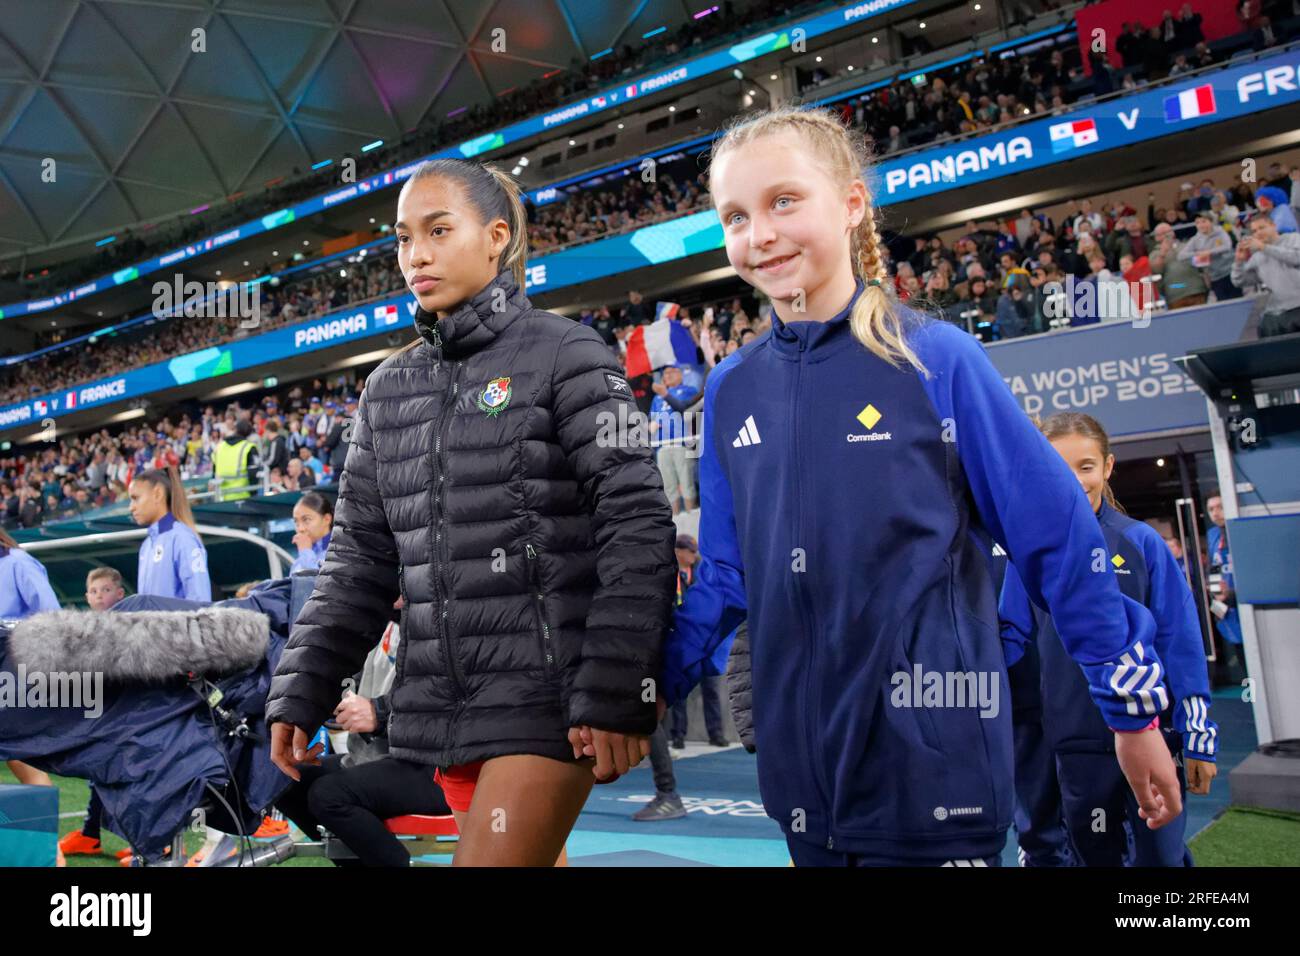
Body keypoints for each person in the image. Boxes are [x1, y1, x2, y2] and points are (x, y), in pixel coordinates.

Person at [661, 105, 1181, 868]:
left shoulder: (938, 359)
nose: (758, 235)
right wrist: (641, 686)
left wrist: (1129, 717)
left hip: (935, 778)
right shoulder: (733, 390)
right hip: (802, 790)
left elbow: (1061, 544)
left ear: (850, 203)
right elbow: (727, 576)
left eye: (783, 202)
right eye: (735, 215)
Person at [265, 157, 677, 867]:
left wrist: (617, 683)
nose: (416, 254)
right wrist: (304, 685)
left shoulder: (567, 352)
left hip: (547, 700)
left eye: (438, 229)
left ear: (496, 236)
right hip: (439, 709)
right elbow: (359, 561)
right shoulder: (386, 390)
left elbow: (635, 520)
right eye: (401, 238)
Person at [1000, 413, 1216, 866]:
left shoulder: (1141, 543)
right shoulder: (1030, 554)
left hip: (1154, 735)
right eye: (1061, 468)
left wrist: (1197, 735)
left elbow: (1180, 642)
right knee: (1094, 854)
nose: (1076, 480)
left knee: (1161, 856)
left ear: (1108, 467)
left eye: (1086, 466)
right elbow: (1008, 639)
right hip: (1076, 744)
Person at [59, 567, 131, 862]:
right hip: (100, 710)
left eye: (105, 589)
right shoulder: (87, 628)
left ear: (120, 593)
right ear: (86, 597)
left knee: (129, 773)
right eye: (93, 591)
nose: (99, 595)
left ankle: (150, 841)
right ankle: (90, 835)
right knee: (98, 772)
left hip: (127, 712)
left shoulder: (130, 624)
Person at [128, 465, 211, 602]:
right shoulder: (146, 546)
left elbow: (200, 600)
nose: (131, 507)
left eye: (135, 498)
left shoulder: (183, 538)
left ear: (158, 494)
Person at [1230, 213, 1300, 337]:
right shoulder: (1258, 256)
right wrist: (1238, 262)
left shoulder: (1293, 239)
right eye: (1254, 231)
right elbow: (1239, 281)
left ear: (1273, 226)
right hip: (1280, 312)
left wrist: (1264, 247)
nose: (1258, 233)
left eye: (1262, 228)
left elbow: (1296, 258)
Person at [1204, 491, 1246, 684]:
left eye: (1220, 507)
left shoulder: (1241, 530)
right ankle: (1253, 701)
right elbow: (1214, 567)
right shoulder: (1213, 535)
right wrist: (1213, 588)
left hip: (1246, 604)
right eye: (1211, 509)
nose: (1215, 513)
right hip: (1226, 609)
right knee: (1244, 663)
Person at [649, 366, 701, 515]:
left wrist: (665, 394)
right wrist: (649, 424)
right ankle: (677, 524)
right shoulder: (656, 398)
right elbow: (650, 418)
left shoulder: (688, 390)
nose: (668, 375)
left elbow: (682, 409)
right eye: (665, 373)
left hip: (681, 442)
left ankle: (692, 519)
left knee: (687, 484)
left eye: (672, 372)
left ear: (680, 374)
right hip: (661, 446)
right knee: (669, 488)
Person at [213, 418, 260, 501]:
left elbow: (214, 469)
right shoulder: (249, 447)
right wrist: (253, 494)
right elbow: (253, 474)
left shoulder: (219, 446)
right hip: (243, 497)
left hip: (221, 498)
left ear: (235, 429)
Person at [290, 491, 333, 574]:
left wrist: (305, 551)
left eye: (306, 519)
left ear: (326, 519)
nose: (300, 528)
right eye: (296, 522)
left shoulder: (340, 552)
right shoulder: (301, 558)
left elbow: (319, 582)